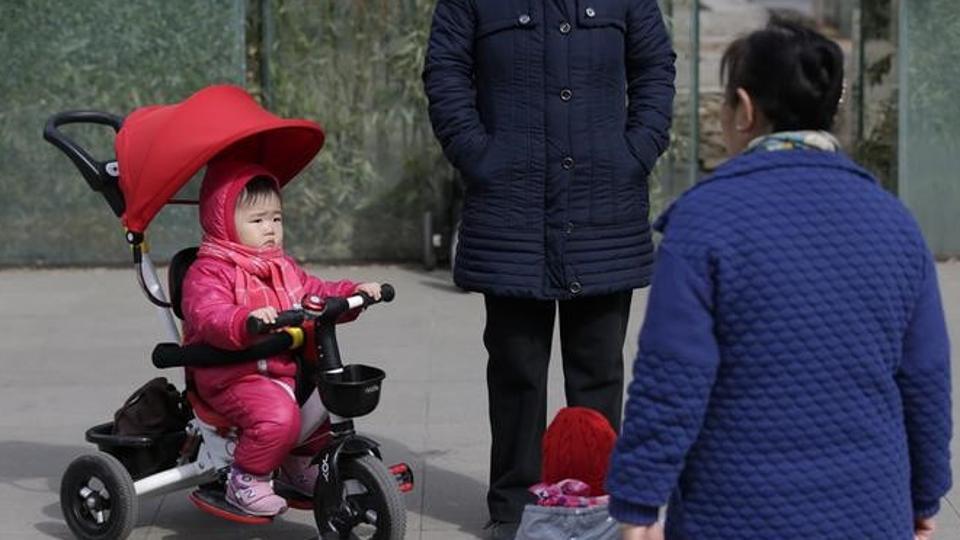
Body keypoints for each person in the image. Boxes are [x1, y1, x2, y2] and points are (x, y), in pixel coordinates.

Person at [606, 20, 952, 540]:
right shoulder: (895, 221)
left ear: (744, 110)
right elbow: (925, 377)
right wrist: (925, 493)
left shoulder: (704, 220)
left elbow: (673, 377)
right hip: (870, 510)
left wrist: (638, 502)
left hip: (731, 511)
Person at [423, 1, 675, 537]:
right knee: (516, 369)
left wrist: (637, 150)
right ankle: (513, 508)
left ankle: (602, 506)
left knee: (599, 370)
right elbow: (444, 70)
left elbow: (655, 65)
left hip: (603, 203)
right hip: (511, 208)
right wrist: (478, 155)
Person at [181, 157, 382, 516]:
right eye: (257, 221)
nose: (270, 229)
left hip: (277, 369)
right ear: (224, 223)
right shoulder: (208, 271)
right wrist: (245, 319)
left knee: (321, 405)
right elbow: (209, 315)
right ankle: (245, 479)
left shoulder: (281, 266)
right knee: (279, 417)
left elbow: (315, 292)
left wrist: (354, 293)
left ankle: (298, 463)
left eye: (276, 218)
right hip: (231, 375)